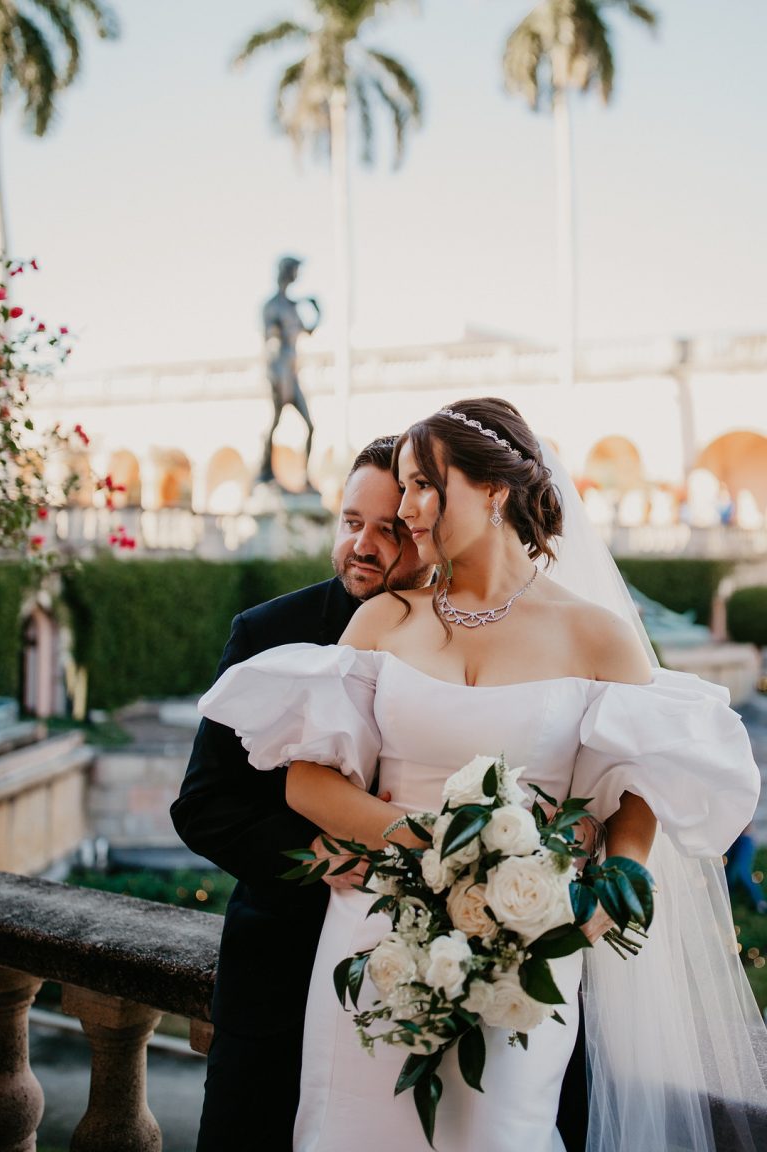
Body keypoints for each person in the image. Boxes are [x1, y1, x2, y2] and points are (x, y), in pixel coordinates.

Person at [199, 398, 766, 1152]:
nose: (407, 510)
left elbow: (644, 782)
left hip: (527, 939)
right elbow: (308, 786)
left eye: (423, 486)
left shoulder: (596, 633)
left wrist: (616, 880)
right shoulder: (383, 622)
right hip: (377, 936)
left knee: (503, 1132)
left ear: (495, 491)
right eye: (402, 488)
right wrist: (441, 847)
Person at [170, 436, 433, 1151]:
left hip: (416, 993)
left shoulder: (459, 646)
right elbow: (200, 805)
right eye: (351, 522)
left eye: (390, 529)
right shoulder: (265, 633)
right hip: (274, 977)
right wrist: (312, 856)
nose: (364, 545)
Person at [256, 255, 320, 489]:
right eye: (295, 271)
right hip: (280, 372)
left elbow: (309, 330)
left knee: (310, 426)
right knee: (274, 422)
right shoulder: (273, 306)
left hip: (292, 375)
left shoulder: (292, 306)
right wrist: (275, 376)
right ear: (287, 272)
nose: (298, 275)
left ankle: (305, 479)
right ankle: (264, 471)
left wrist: (317, 310)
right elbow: (270, 344)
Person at [726, 821, 767, 913]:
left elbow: (746, 823)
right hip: (730, 841)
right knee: (727, 874)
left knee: (742, 871)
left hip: (744, 838)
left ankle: (760, 902)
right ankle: (729, 901)